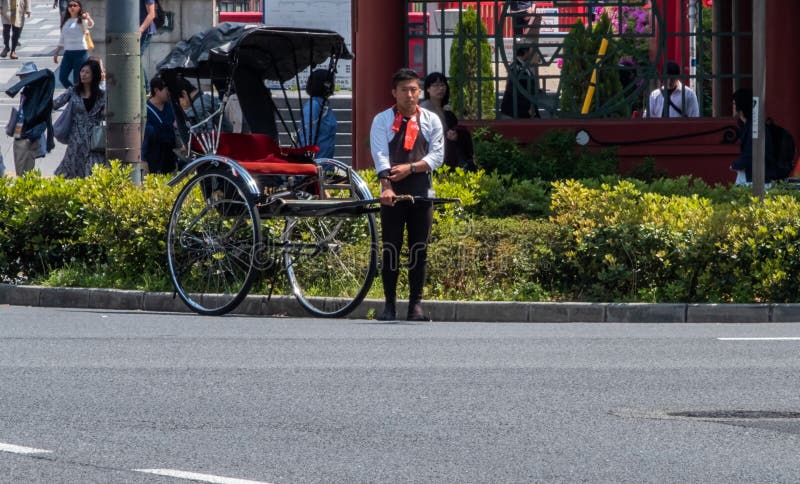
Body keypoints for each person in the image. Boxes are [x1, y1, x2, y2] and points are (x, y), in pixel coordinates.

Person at [369, 68, 444, 322]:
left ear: (419, 91)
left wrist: (411, 167)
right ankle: (389, 305)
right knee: (391, 247)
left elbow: (437, 156)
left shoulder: (431, 120)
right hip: (393, 191)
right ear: (394, 92)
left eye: (414, 90)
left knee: (419, 249)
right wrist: (386, 185)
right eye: (404, 90)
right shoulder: (382, 120)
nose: (410, 95)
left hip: (421, 189)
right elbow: (380, 154)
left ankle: (416, 305)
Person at [52, 59, 106, 178]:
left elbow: (108, 114)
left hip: (95, 140)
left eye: (87, 72)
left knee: (93, 171)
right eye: (82, 71)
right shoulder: (73, 91)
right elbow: (55, 104)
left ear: (94, 75)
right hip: (76, 138)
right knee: (72, 169)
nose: (83, 74)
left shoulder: (102, 95)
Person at [5, 62, 55, 176]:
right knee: (21, 173)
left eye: (24, 76)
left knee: (24, 174)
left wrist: (30, 138)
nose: (21, 79)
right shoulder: (27, 91)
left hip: (27, 138)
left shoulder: (38, 94)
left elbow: (43, 119)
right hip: (20, 136)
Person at [421, 72, 474, 170]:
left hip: (450, 153)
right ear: (428, 89)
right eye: (436, 85)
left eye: (442, 85)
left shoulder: (446, 109)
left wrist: (455, 135)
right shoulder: (424, 109)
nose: (440, 88)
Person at [730, 88, 777, 185]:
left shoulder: (755, 127)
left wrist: (735, 165)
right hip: (750, 173)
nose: (733, 107)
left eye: (734, 104)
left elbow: (751, 153)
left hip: (758, 176)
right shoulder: (746, 125)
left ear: (741, 106)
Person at [53, 0, 94, 89]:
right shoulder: (66, 20)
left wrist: (88, 18)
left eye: (75, 5)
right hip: (68, 53)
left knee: (77, 79)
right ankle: (74, 94)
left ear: (79, 8)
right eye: (70, 6)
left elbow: (90, 25)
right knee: (62, 77)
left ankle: (78, 96)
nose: (72, 7)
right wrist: (56, 52)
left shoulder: (82, 20)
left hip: (81, 52)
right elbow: (62, 38)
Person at [142, 75, 178, 174]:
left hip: (170, 158)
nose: (169, 93)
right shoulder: (145, 110)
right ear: (157, 90)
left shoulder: (171, 106)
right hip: (153, 158)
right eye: (166, 90)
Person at [298, 68, 336, 158]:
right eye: (332, 82)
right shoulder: (314, 106)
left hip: (326, 162)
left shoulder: (324, 105)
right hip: (316, 162)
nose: (334, 85)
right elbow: (307, 136)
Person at [500, 47, 539, 119]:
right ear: (525, 52)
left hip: (522, 108)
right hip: (516, 109)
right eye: (529, 52)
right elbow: (515, 88)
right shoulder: (515, 66)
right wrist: (528, 105)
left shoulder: (523, 65)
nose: (531, 54)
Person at [139, 0, 156, 91]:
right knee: (135, 59)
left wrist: (141, 29)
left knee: (136, 58)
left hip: (145, 31)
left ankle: (146, 89)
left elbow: (151, 13)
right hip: (135, 31)